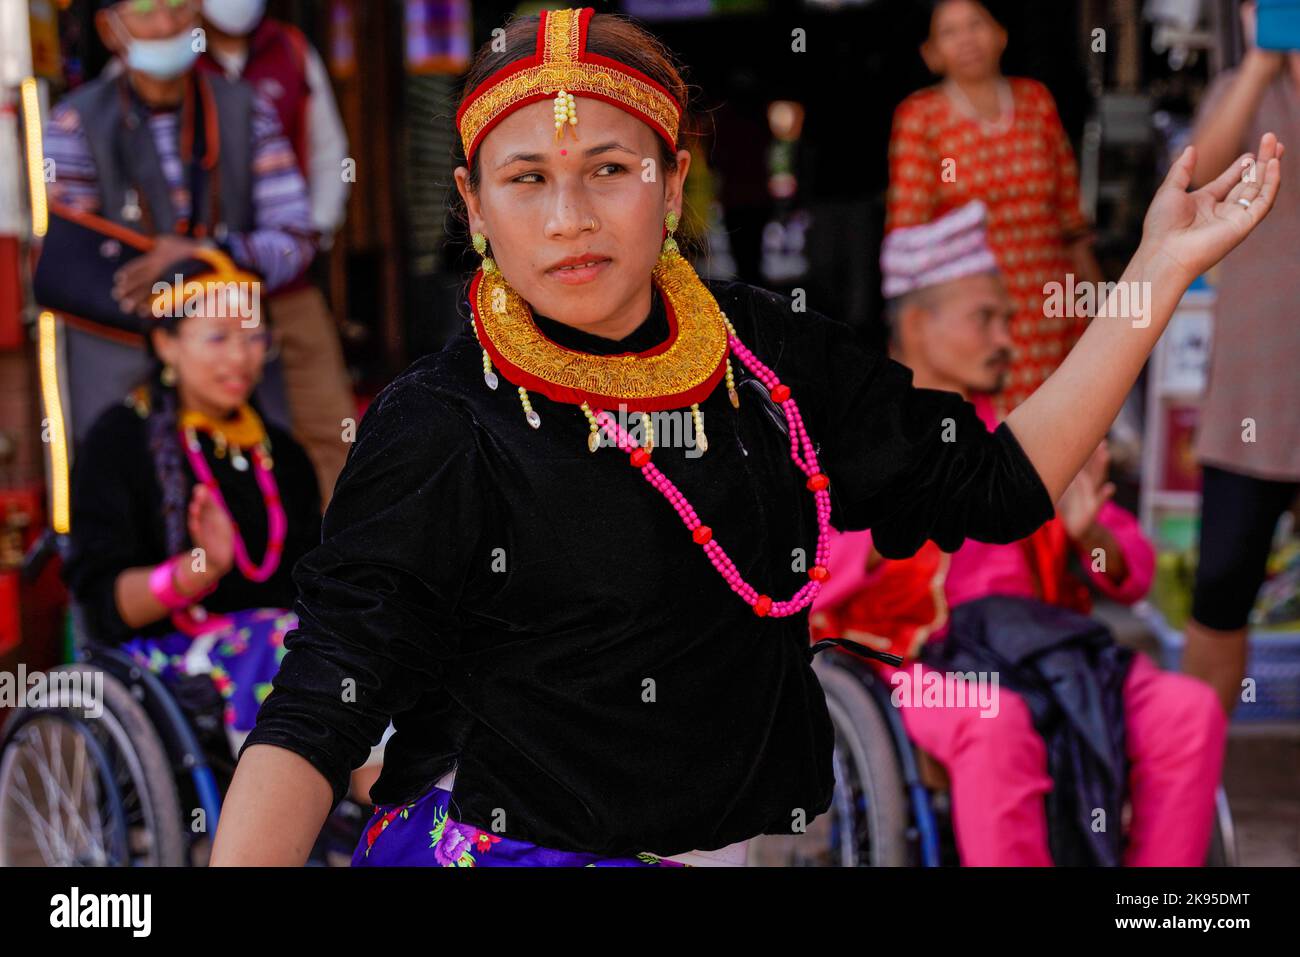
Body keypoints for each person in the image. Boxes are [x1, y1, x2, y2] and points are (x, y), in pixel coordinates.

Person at [208, 7, 1280, 868]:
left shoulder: (766, 357)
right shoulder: (442, 423)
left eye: (611, 170)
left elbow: (991, 483)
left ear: (674, 183)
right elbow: (321, 705)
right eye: (525, 178)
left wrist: (1155, 274)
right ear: (474, 206)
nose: (569, 215)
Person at [810, 201, 1227, 866]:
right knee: (995, 724)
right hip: (915, 669)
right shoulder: (862, 435)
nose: (1007, 337)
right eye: (986, 319)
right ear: (919, 323)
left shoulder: (1035, 428)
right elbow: (811, 574)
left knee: (1187, 709)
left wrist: (1091, 536)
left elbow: (1135, 570)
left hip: (1041, 654)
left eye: (1008, 318)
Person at [42, 0, 335, 502]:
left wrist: (200, 255)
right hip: (121, 351)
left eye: (179, 10)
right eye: (146, 12)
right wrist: (206, 275)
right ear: (110, 30)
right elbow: (72, 261)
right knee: (126, 497)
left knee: (263, 492)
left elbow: (295, 239)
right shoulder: (74, 123)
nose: (166, 26)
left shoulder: (245, 109)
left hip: (236, 354)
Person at [61, 260, 321, 760]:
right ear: (166, 343)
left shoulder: (282, 453)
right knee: (286, 643)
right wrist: (199, 569)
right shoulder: (119, 442)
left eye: (253, 338)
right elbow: (106, 604)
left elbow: (313, 575)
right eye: (218, 337)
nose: (242, 358)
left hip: (284, 647)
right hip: (165, 665)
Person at [886, 0, 1104, 413]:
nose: (967, 39)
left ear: (1001, 35)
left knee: (1066, 426)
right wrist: (912, 335)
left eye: (976, 25)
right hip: (978, 315)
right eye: (950, 32)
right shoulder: (921, 116)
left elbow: (1070, 217)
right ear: (931, 54)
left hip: (1053, 302)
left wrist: (1096, 305)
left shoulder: (1036, 100)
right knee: (997, 440)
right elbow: (908, 233)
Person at [1181, 0, 1300, 716]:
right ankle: (1190, 760)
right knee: (1222, 579)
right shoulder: (1239, 90)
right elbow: (1198, 176)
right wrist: (1262, 62)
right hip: (1254, 387)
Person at [197, 0, 357, 508]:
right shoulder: (171, 54)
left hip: (285, 285)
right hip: (199, 297)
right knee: (214, 432)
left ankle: (339, 559)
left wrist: (312, 236)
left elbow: (330, 152)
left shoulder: (290, 50)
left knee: (331, 423)